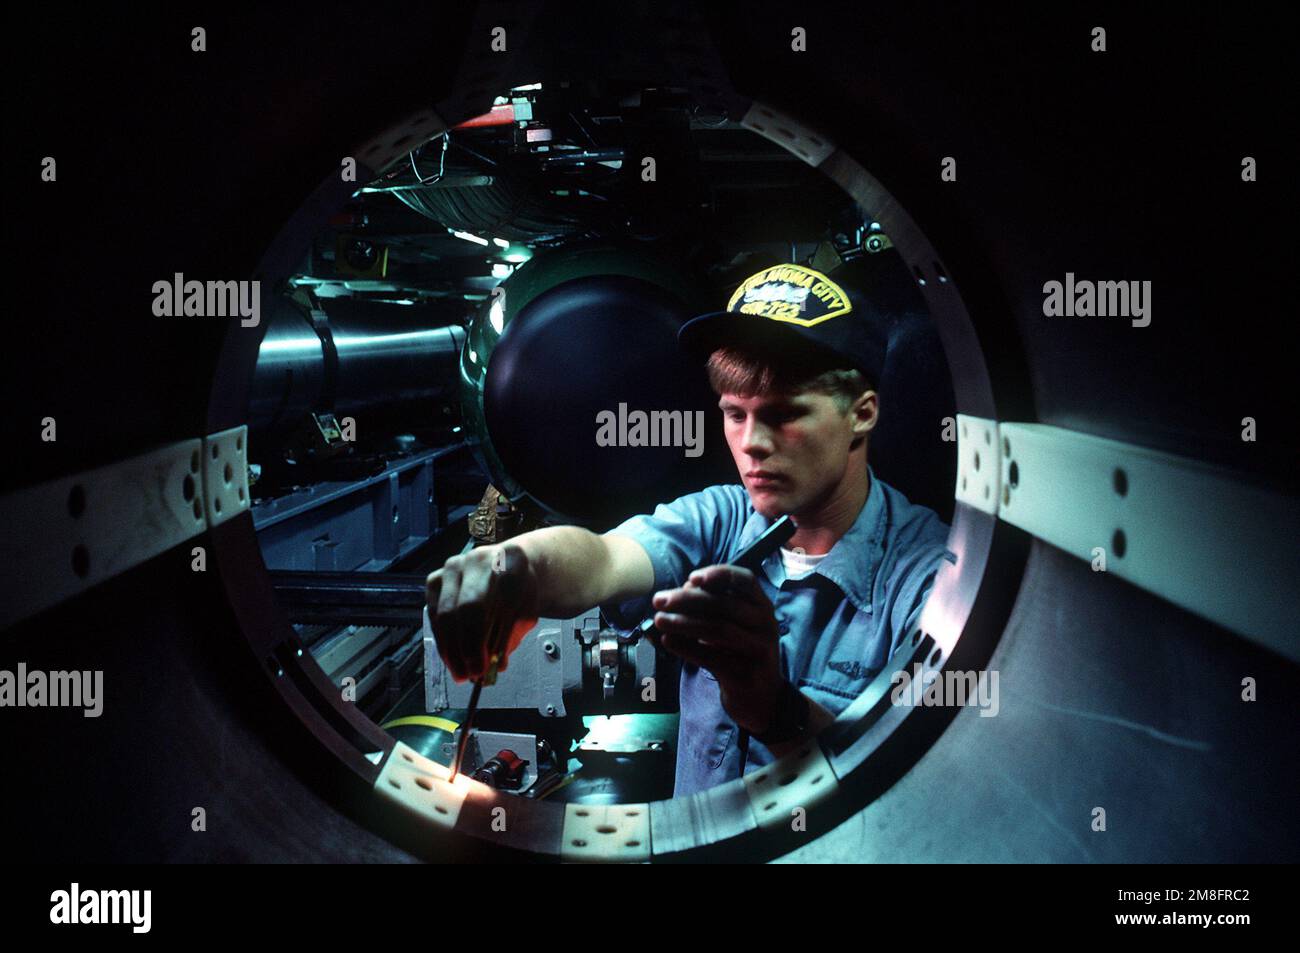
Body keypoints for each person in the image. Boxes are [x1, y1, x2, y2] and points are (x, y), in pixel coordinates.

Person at [426, 263, 952, 796]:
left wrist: (775, 710)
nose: (751, 444)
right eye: (734, 414)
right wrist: (517, 569)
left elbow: (921, 788)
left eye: (785, 414)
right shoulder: (723, 519)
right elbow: (602, 559)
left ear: (862, 414)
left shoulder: (929, 583)